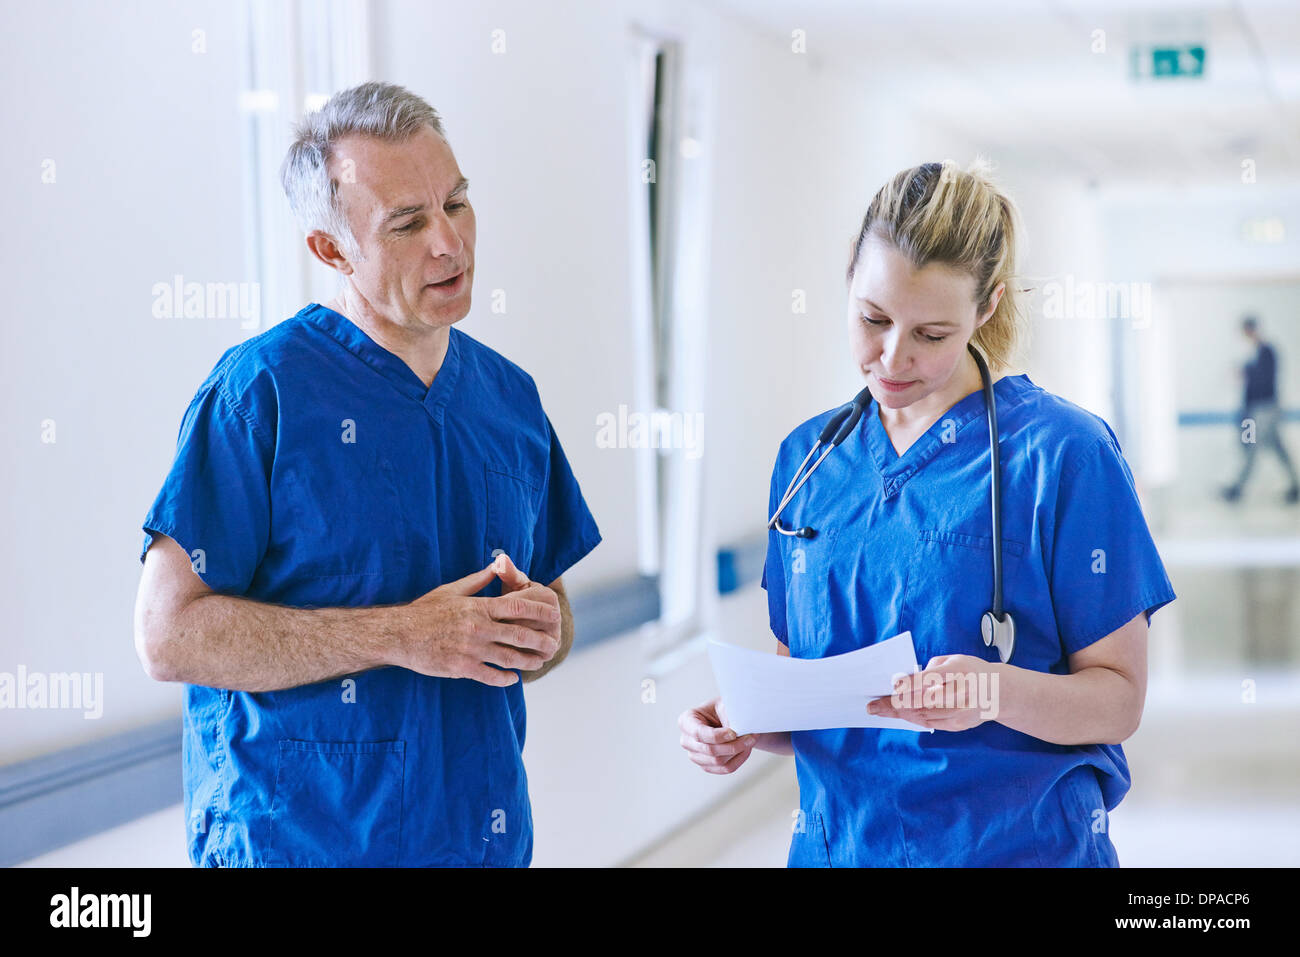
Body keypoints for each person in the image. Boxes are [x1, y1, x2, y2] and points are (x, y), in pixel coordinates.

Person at [132, 82, 601, 867]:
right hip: (299, 842)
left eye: (456, 203)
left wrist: (545, 629)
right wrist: (404, 634)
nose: (449, 243)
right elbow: (168, 633)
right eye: (408, 223)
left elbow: (551, 612)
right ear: (331, 249)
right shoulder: (262, 393)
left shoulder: (509, 400)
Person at [678, 159, 1176, 867]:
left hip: (1018, 849)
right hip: (841, 847)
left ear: (988, 308)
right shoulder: (809, 462)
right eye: (872, 318)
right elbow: (813, 693)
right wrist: (742, 723)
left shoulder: (1065, 455)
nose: (892, 356)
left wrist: (993, 691)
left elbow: (1118, 700)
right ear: (849, 275)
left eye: (932, 334)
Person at [1221, 316, 1299, 504]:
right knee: (1278, 447)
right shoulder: (1256, 353)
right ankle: (1295, 486)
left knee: (1252, 446)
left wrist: (1246, 372)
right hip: (1260, 409)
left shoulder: (1267, 352)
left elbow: (1264, 381)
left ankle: (1237, 489)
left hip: (1265, 408)